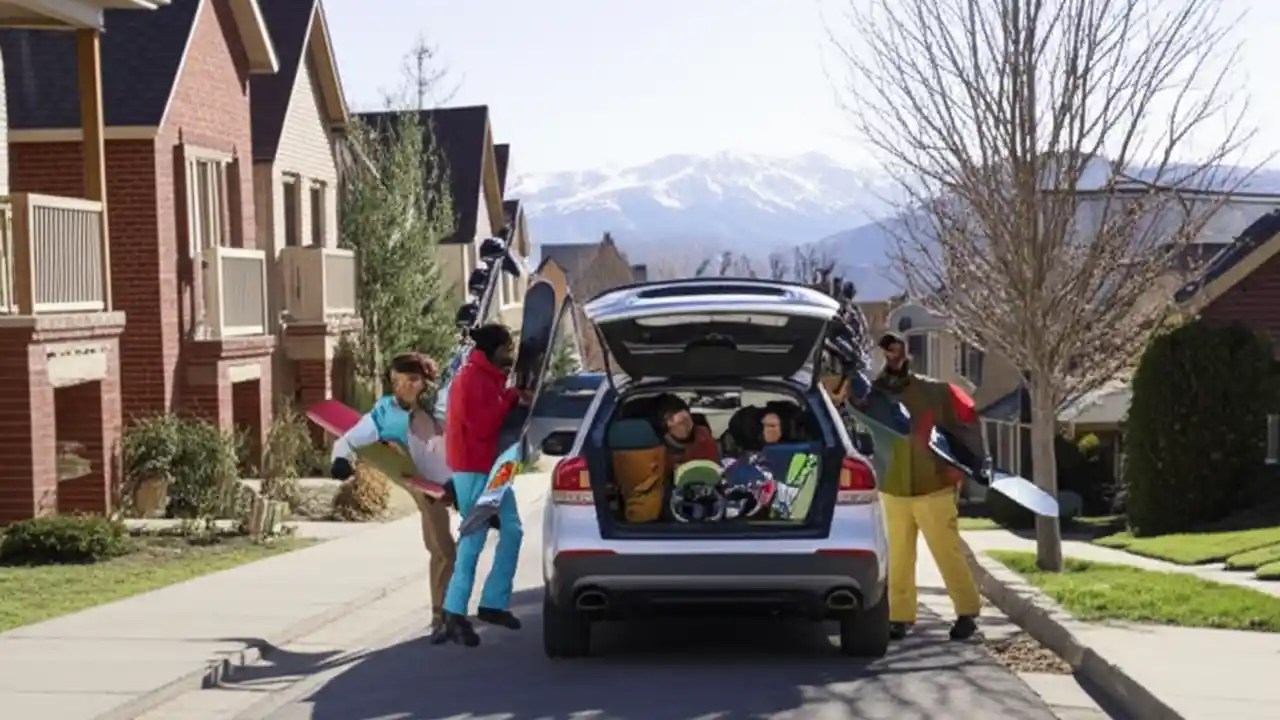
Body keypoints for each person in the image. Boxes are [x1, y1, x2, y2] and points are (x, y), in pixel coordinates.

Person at [330, 353, 457, 643]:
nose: (402, 387)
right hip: (425, 489)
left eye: (411, 381)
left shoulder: (431, 408)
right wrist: (341, 461)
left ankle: (440, 616)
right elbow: (348, 439)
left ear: (423, 384)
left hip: (444, 484)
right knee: (447, 553)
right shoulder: (386, 413)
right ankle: (441, 618)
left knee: (438, 553)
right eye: (397, 381)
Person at [873, 332, 985, 641]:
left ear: (907, 353)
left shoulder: (936, 393)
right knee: (898, 555)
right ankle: (899, 616)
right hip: (893, 486)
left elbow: (966, 422)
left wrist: (966, 466)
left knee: (947, 552)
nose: (891, 354)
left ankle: (966, 612)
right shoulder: (874, 394)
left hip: (933, 485)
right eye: (886, 350)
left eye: (895, 349)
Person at [440, 323, 530, 647]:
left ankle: (493, 603)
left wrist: (511, 394)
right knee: (473, 539)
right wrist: (512, 398)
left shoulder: (489, 377)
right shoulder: (470, 379)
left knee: (513, 529)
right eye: (507, 347)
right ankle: (453, 613)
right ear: (492, 349)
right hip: (474, 468)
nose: (511, 353)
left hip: (495, 466)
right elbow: (483, 426)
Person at [654, 394, 720, 472]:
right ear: (664, 424)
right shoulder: (658, 450)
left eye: (686, 419)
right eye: (671, 417)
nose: (682, 420)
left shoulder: (703, 437)